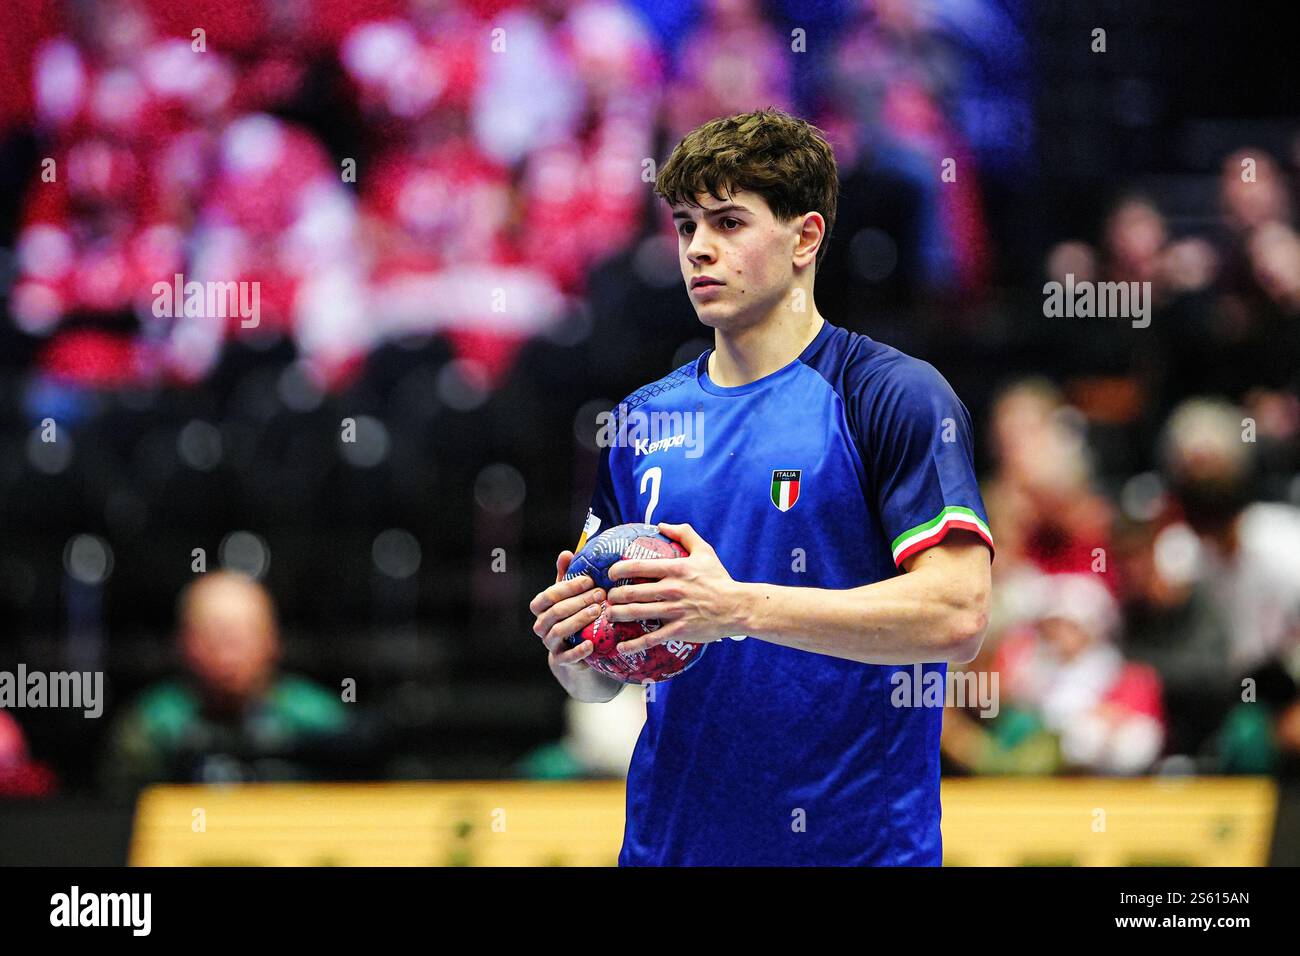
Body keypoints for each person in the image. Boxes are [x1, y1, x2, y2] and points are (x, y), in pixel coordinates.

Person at [529, 109, 993, 865]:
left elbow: (958, 614)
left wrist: (736, 607)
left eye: (729, 221)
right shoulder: (641, 421)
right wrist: (573, 649)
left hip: (856, 852)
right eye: (685, 226)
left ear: (806, 237)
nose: (699, 250)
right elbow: (600, 682)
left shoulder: (892, 395)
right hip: (669, 849)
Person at [101, 571, 353, 798]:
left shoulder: (318, 720)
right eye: (212, 638)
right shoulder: (152, 725)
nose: (227, 656)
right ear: (184, 644)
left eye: (241, 638)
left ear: (272, 642)